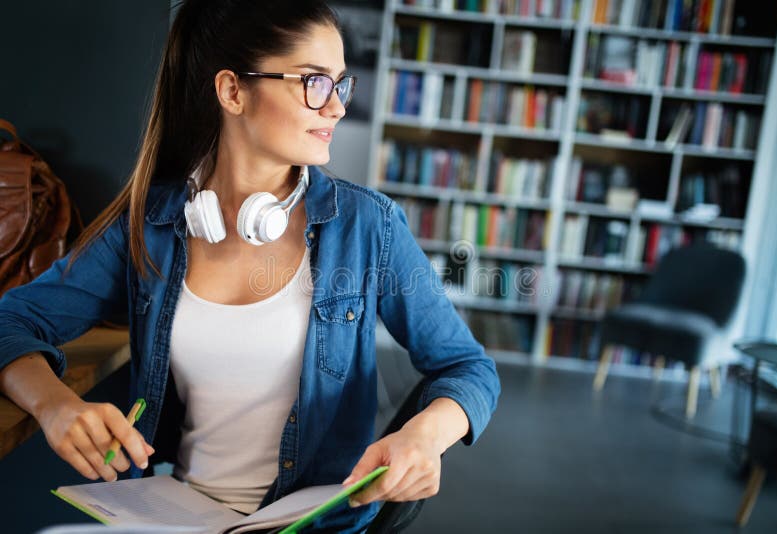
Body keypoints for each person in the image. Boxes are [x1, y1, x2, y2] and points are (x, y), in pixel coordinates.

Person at [0, 0, 500, 531]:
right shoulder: (150, 224)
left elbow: (469, 368)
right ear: (233, 91)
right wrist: (54, 405)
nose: (336, 108)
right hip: (176, 516)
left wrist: (424, 437)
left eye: (339, 84)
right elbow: (12, 320)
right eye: (314, 82)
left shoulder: (367, 228)